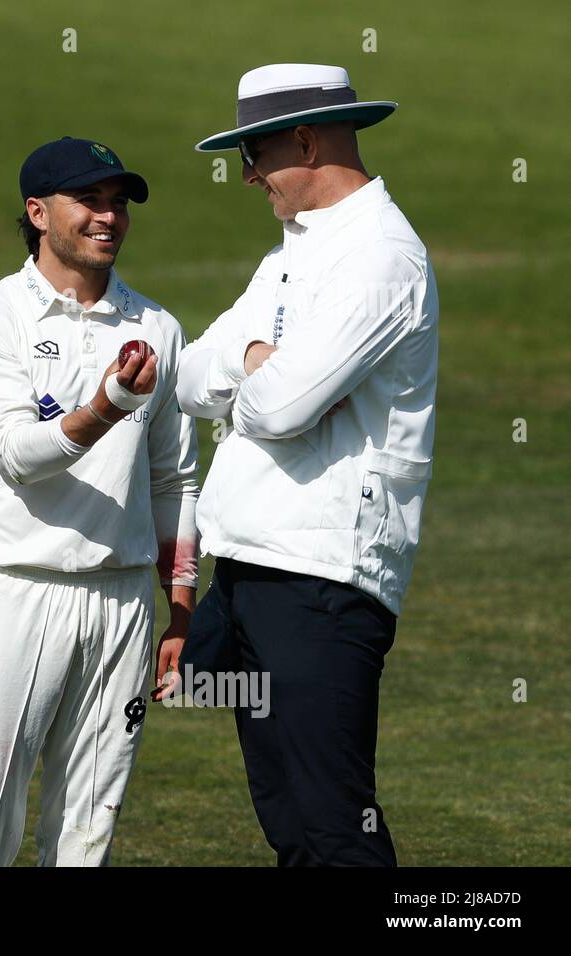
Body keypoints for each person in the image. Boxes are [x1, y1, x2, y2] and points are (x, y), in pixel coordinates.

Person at [175, 63, 439, 866]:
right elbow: (192, 374)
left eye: (255, 153)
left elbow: (284, 410)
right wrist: (263, 358)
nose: (249, 174)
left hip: (323, 580)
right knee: (289, 824)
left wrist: (251, 373)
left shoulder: (381, 257)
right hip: (255, 568)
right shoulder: (293, 251)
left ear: (305, 139)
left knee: (333, 825)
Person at [0, 137, 201, 867]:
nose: (109, 217)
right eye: (91, 200)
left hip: (122, 601)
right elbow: (18, 453)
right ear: (38, 212)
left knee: (86, 828)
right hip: (14, 589)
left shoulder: (158, 329)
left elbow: (174, 481)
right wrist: (107, 404)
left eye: (119, 202)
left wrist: (181, 606)